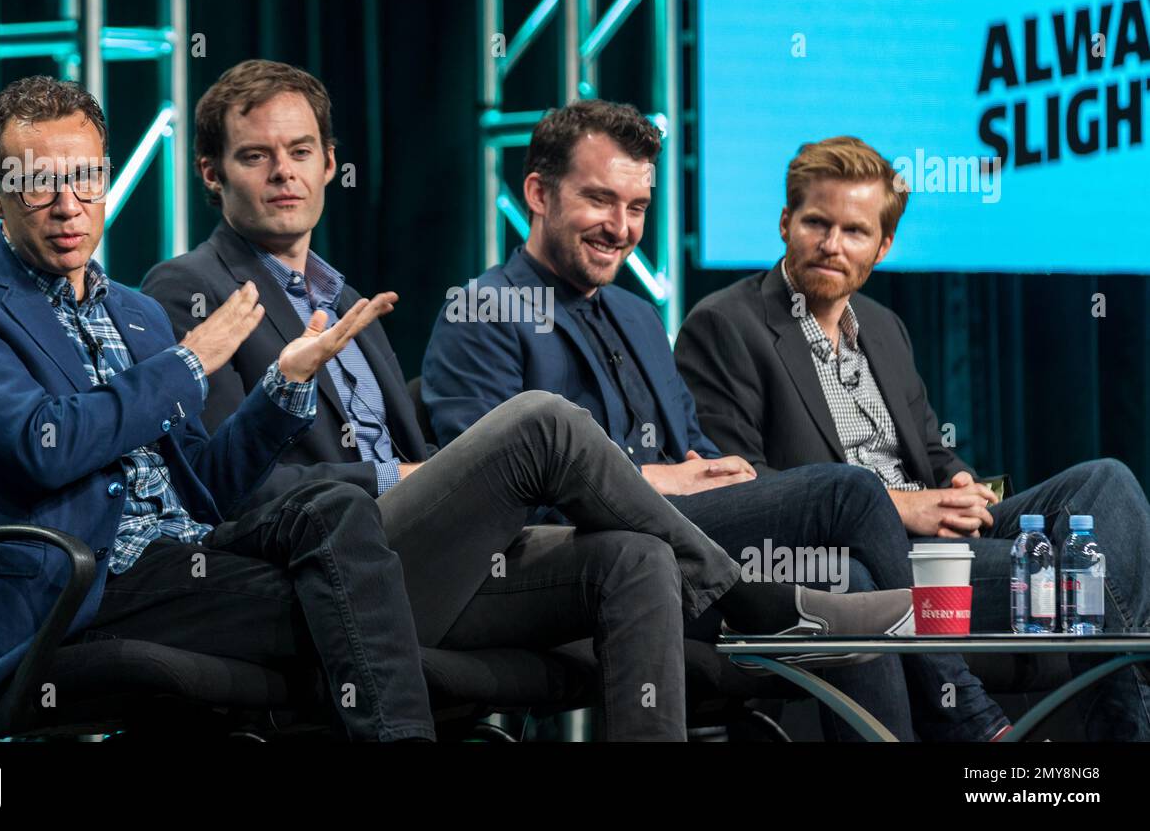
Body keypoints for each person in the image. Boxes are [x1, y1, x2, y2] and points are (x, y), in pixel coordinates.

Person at [142, 61, 914, 740]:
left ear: (330, 164)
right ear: (212, 173)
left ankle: (740, 610)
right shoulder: (188, 291)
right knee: (545, 421)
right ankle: (755, 609)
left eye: (302, 153)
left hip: (434, 561)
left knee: (635, 555)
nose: (285, 173)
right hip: (327, 568)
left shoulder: (344, 292)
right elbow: (220, 491)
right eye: (257, 156)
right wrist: (392, 481)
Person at [421, 101, 1007, 741]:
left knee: (850, 575)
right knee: (851, 488)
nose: (621, 227)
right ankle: (971, 724)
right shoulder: (483, 312)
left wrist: (720, 473)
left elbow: (697, 451)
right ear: (537, 193)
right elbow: (484, 499)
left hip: (694, 548)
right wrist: (651, 481)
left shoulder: (637, 316)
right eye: (599, 200)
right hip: (585, 561)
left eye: (637, 207)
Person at [0, 75, 437, 741]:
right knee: (351, 609)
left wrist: (285, 384)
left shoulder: (135, 311)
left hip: (185, 555)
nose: (69, 207)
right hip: (82, 583)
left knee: (334, 510)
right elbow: (45, 446)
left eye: (87, 179)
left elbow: (204, 484)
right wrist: (186, 363)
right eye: (38, 183)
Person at [675, 134, 1150, 741]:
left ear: (883, 244)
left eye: (854, 231)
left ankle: (1125, 733)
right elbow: (736, 490)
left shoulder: (884, 327)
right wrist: (905, 507)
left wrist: (958, 484)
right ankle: (974, 728)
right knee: (1055, 572)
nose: (830, 245)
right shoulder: (725, 325)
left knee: (1105, 482)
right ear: (784, 222)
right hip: (836, 562)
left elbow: (930, 453)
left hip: (936, 548)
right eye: (815, 223)